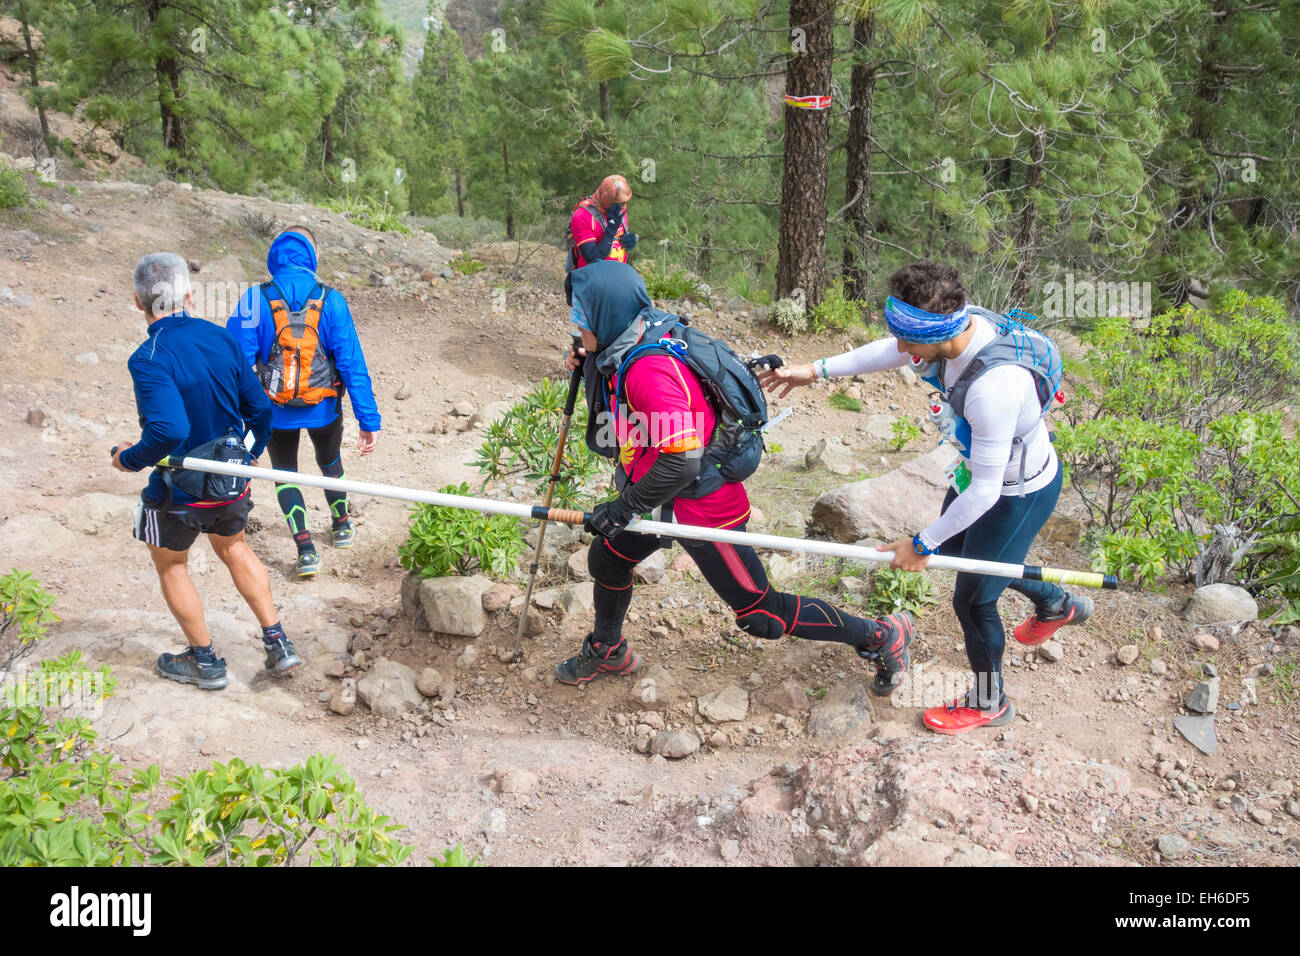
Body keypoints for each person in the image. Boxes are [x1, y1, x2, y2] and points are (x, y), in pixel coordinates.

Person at [759, 261, 1093, 735]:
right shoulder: (958, 320)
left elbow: (985, 493)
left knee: (974, 601)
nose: (900, 349)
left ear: (939, 335)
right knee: (963, 557)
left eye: (908, 341)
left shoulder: (993, 391)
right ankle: (1056, 603)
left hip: (1015, 494)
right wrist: (815, 371)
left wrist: (920, 544)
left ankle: (989, 700)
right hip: (976, 475)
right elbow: (894, 350)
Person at [552, 260, 913, 692]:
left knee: (761, 614)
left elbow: (681, 461)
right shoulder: (633, 335)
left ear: (607, 315)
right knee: (608, 558)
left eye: (581, 316)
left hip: (702, 507)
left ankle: (881, 636)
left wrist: (621, 508)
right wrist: (589, 357)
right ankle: (608, 650)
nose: (575, 323)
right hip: (657, 494)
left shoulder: (649, 370)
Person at [111, 252, 302, 690]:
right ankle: (279, 644)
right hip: (230, 482)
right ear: (189, 296)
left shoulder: (148, 357)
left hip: (179, 491)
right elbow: (260, 414)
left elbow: (168, 429)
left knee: (173, 565)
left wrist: (128, 458)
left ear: (139, 303)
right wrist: (247, 456)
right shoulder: (221, 340)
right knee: (234, 548)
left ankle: (205, 662)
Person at [226, 226, 381, 578]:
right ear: (312, 256)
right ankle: (341, 525)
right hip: (324, 408)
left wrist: (238, 424)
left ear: (275, 255)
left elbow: (232, 367)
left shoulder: (254, 299)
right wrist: (368, 420)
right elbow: (352, 365)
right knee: (331, 462)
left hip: (274, 413)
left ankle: (305, 549)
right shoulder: (332, 300)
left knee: (285, 474)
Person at [564, 175, 637, 305]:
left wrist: (631, 239)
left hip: (616, 283)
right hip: (591, 285)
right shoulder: (582, 216)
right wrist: (611, 229)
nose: (624, 207)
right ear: (607, 200)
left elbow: (617, 236)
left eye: (625, 202)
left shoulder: (618, 209)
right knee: (589, 325)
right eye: (620, 203)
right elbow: (593, 259)